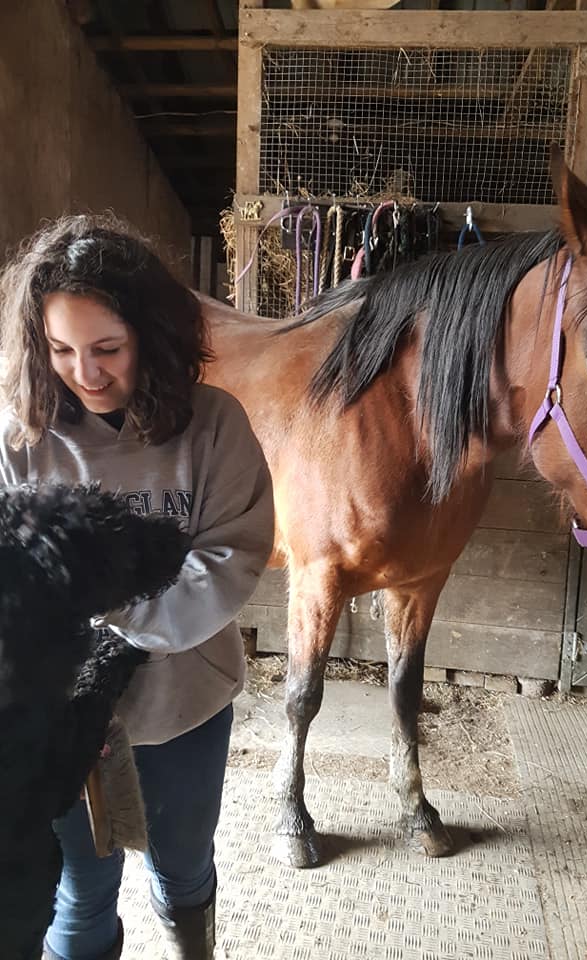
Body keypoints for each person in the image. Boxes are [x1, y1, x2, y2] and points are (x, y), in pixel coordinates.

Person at [0, 214, 275, 960]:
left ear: (150, 336)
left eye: (107, 349)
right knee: (79, 886)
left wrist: (109, 625)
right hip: (59, 712)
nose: (85, 374)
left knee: (181, 865)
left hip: (180, 700)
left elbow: (231, 558)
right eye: (60, 350)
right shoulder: (21, 439)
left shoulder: (213, 427)